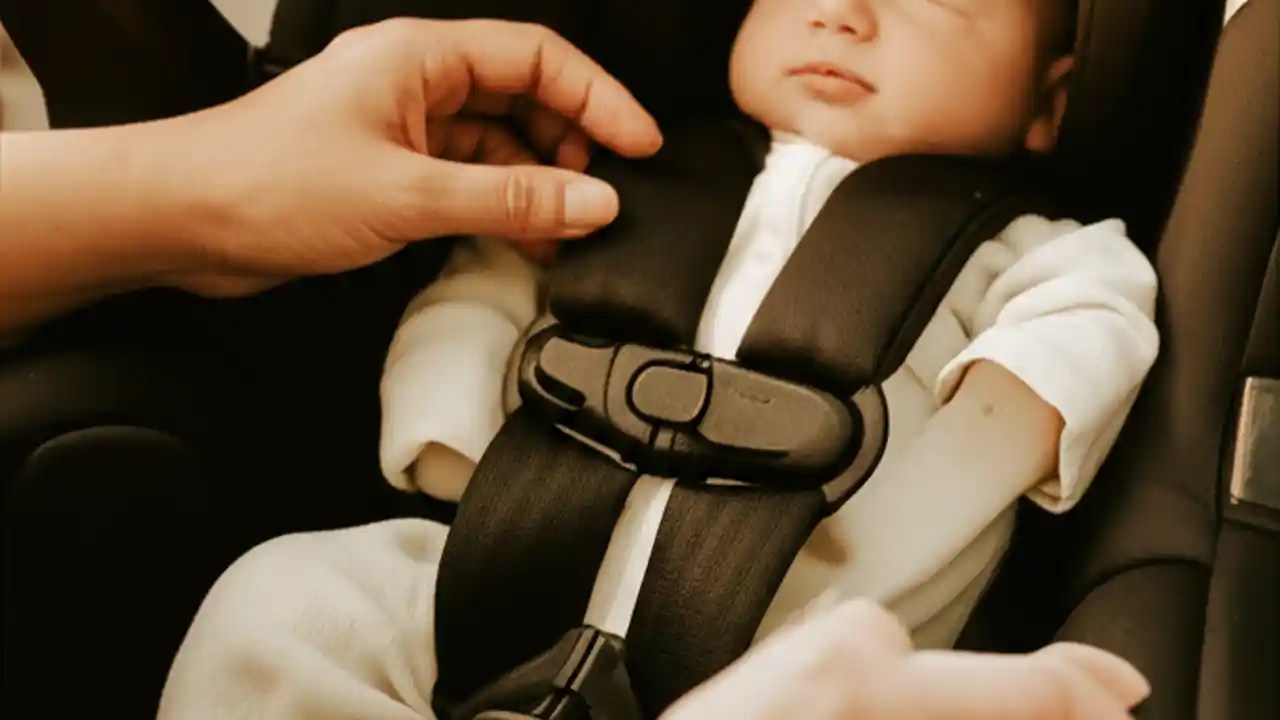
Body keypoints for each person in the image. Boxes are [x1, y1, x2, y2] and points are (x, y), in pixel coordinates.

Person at [1, 14, 1151, 720]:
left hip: (807, 623)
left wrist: (994, 429)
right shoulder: (616, 182)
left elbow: (1092, 315)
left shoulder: (1027, 250)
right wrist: (451, 437)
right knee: (283, 604)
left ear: (1049, 101)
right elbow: (488, 286)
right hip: (488, 580)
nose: (842, 15)